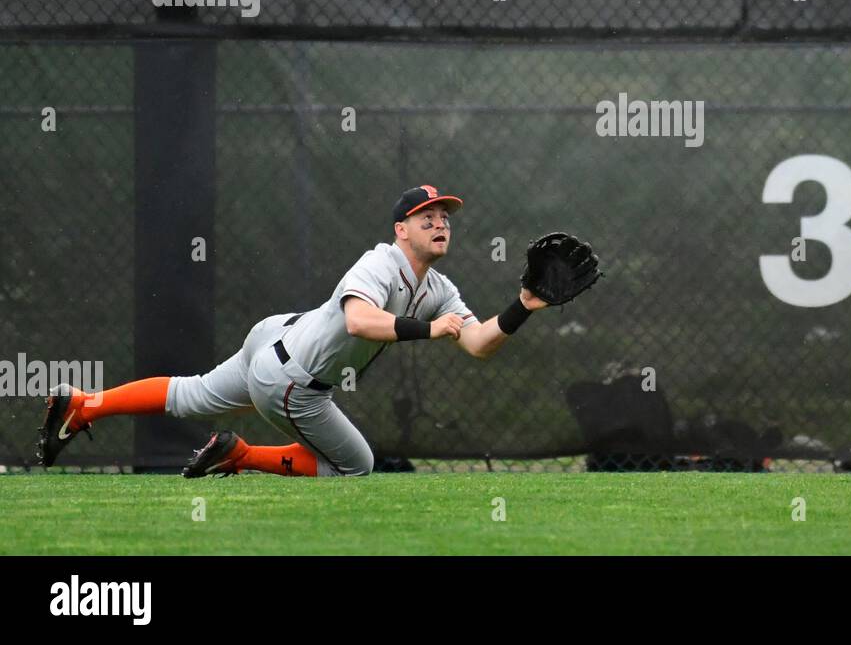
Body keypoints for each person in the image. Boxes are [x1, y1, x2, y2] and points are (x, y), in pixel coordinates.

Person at [37, 184, 557, 478]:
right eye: (427, 217)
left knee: (193, 393)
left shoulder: (439, 287)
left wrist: (524, 305)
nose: (440, 222)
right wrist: (426, 329)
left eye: (445, 216)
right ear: (401, 230)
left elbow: (478, 343)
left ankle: (87, 403)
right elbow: (358, 320)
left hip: (276, 335)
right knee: (357, 466)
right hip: (292, 379)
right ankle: (240, 456)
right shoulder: (379, 264)